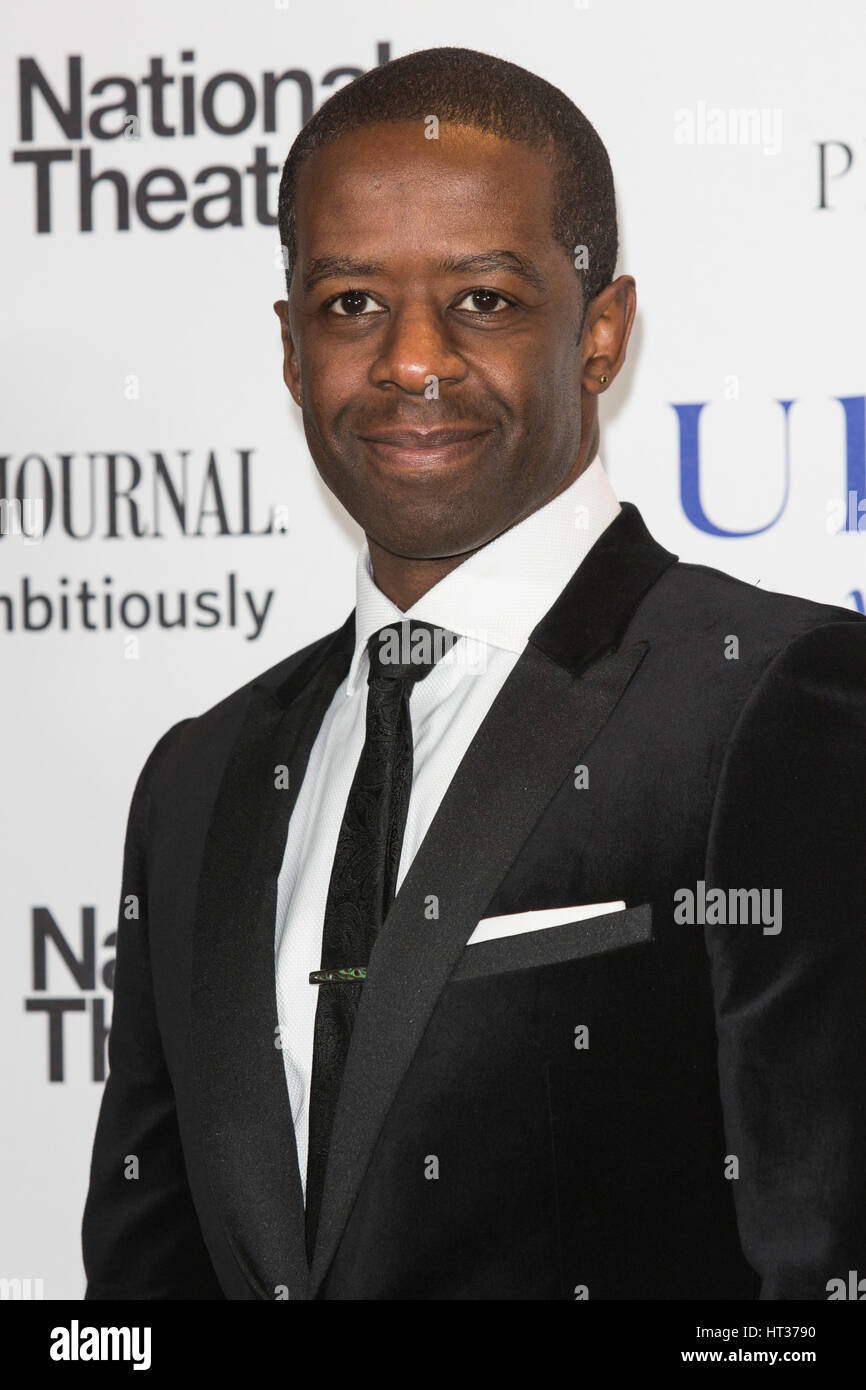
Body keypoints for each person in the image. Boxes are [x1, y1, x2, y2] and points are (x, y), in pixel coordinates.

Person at [82, 45, 866, 1301]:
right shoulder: (200, 777)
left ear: (600, 332)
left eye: (484, 299)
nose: (410, 361)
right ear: (289, 350)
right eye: (349, 303)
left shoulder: (782, 702)